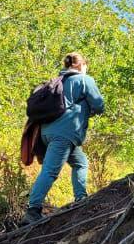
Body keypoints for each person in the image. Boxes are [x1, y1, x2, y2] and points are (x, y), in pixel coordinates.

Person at [24, 52, 106, 225]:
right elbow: (99, 105)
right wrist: (89, 109)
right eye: (86, 65)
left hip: (47, 132)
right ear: (81, 65)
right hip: (64, 134)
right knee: (51, 171)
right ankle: (33, 210)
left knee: (81, 162)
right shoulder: (84, 80)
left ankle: (81, 199)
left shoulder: (58, 80)